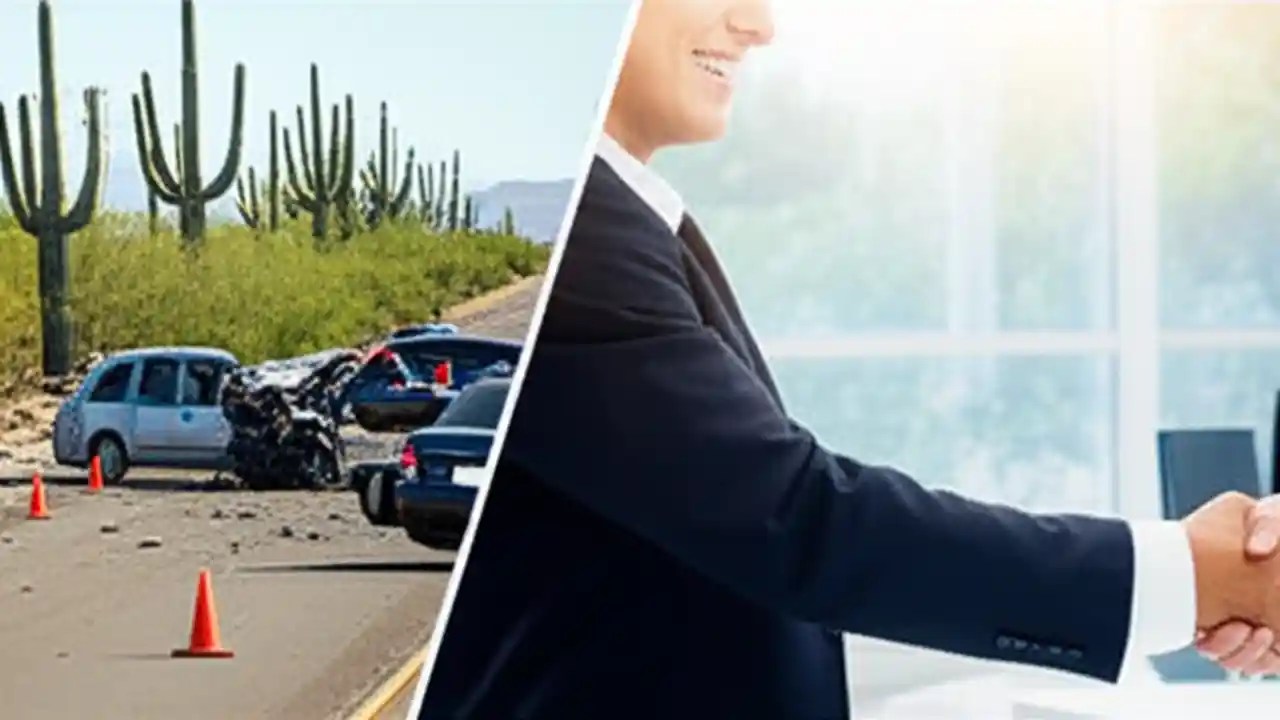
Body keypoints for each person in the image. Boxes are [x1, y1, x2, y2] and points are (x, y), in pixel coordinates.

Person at [418, 2, 1280, 718]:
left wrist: (1196, 585)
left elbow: (739, 555)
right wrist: (1193, 577)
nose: (757, 24)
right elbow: (796, 520)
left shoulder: (626, 223)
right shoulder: (589, 240)